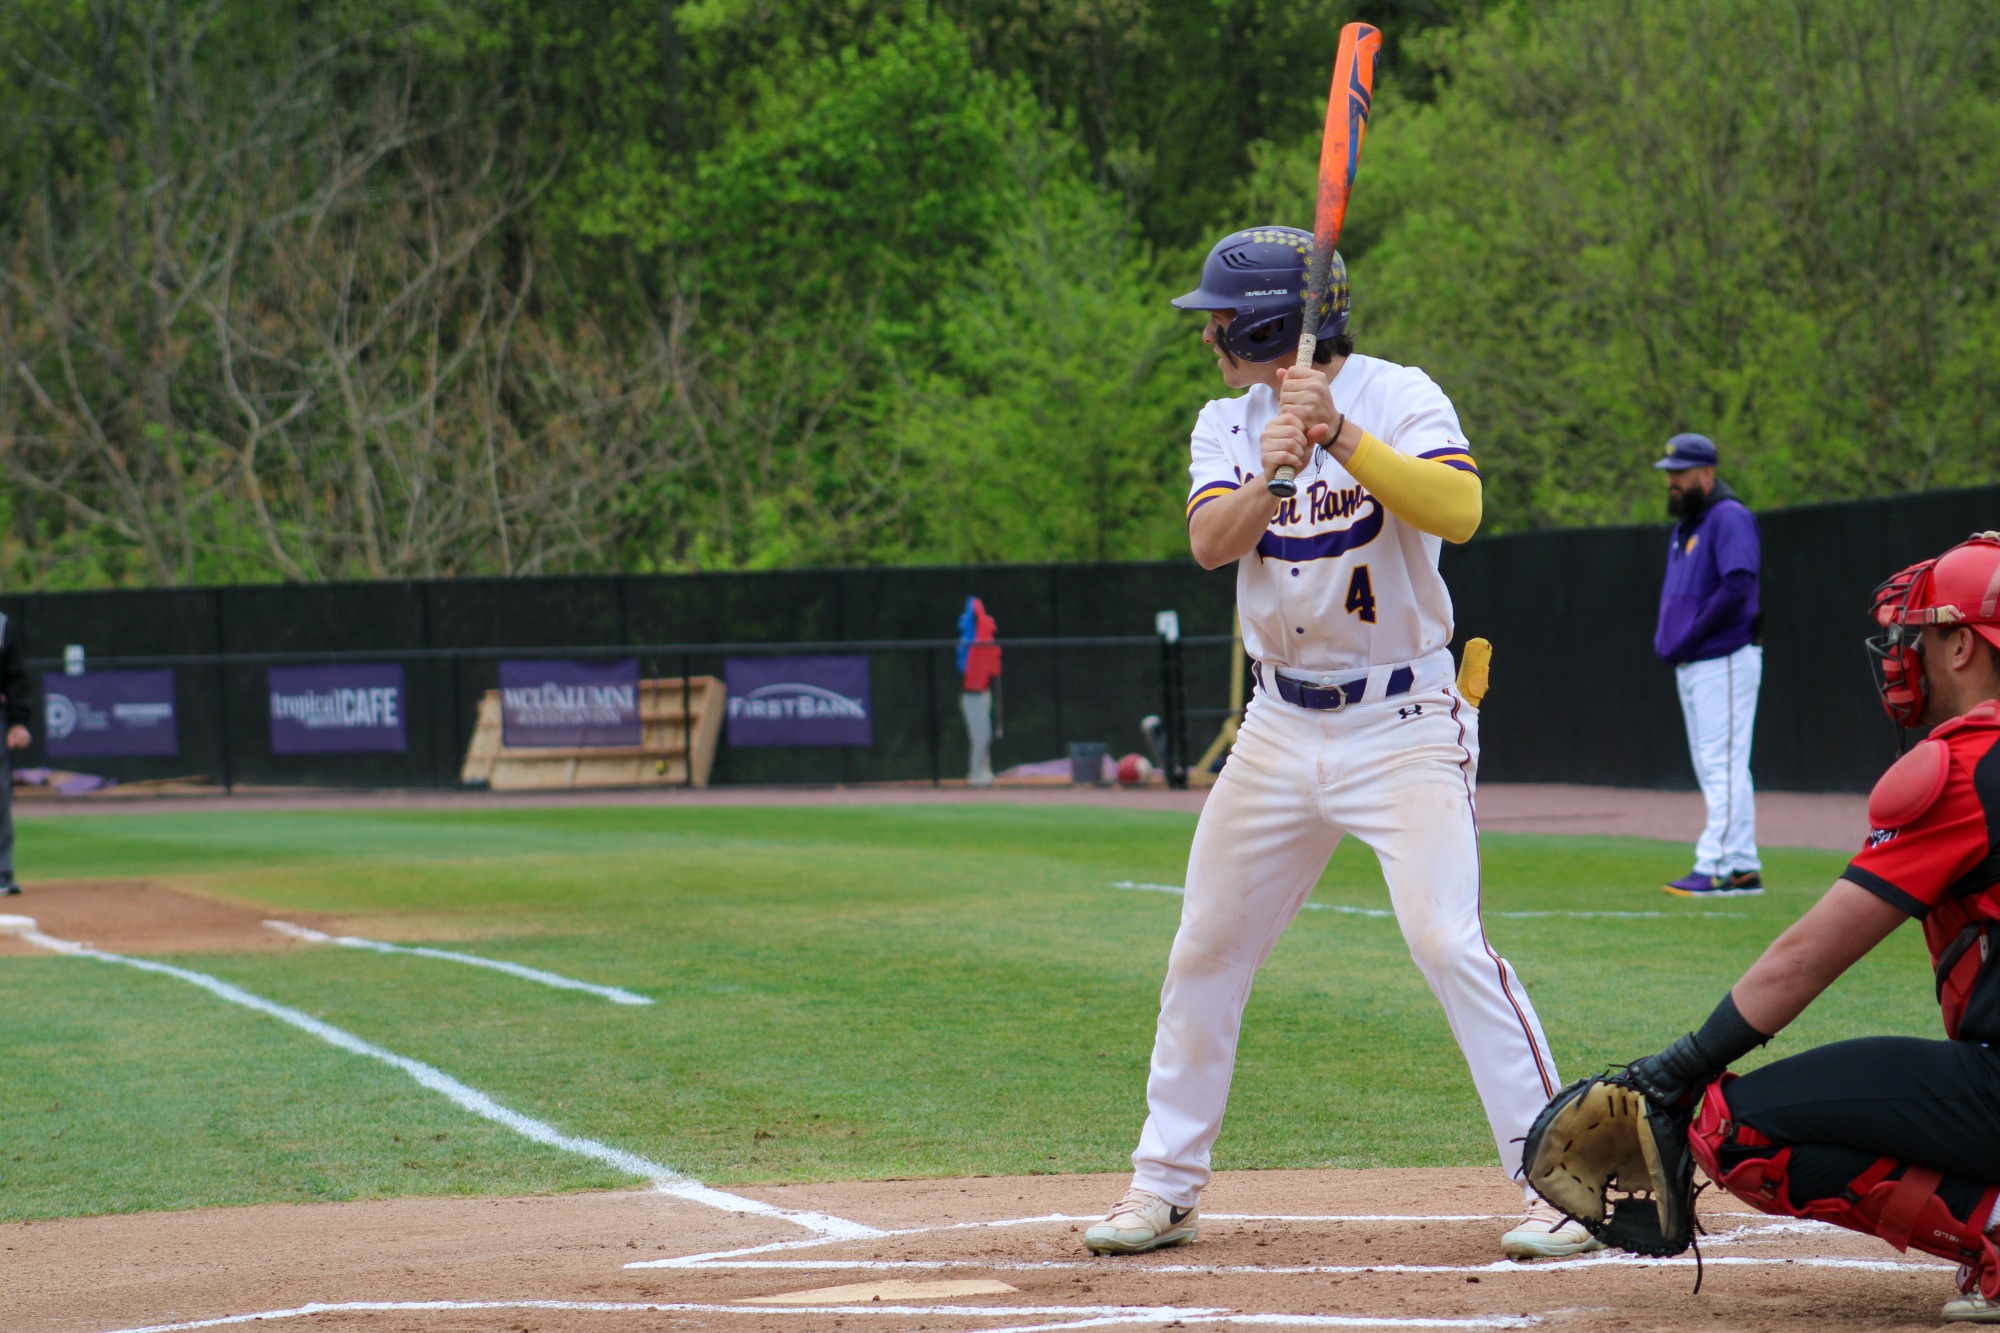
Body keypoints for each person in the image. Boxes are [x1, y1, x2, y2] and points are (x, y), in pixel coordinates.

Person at [1084, 226, 1586, 1262]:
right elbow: (1206, 545)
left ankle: (1566, 1182)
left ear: (1271, 323)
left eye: (1221, 322)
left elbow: (1461, 508)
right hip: (1275, 726)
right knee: (1204, 947)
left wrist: (1343, 436)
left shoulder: (1401, 396)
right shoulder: (1226, 422)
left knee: (1446, 941)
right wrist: (1271, 473)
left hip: (1400, 720)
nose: (1209, 337)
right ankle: (1163, 1187)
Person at [1609, 531, 2000, 1323]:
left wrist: (1683, 1064)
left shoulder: (1965, 764)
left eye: (1921, 634)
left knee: (1731, 1127)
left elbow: (1810, 954)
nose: (1906, 654)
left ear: (1962, 645)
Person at [1652, 433, 1765, 897]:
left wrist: (1692, 633)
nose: (1672, 481)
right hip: (1698, 660)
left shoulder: (1728, 516)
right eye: (1669, 473)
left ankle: (1715, 865)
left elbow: (1739, 585)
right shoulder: (1689, 525)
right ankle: (1741, 864)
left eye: (1680, 472)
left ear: (1707, 473)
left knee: (1723, 764)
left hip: (1726, 655)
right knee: (1715, 765)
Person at [957, 597, 1001, 787]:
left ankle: (985, 772)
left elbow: (994, 670)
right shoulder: (966, 644)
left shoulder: (987, 643)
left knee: (983, 737)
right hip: (971, 697)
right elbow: (962, 668)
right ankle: (975, 774)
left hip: (984, 694)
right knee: (982, 736)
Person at [0, 612, 29, 895]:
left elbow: (15, 676)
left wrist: (19, 720)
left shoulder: (1, 624)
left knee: (0, 791)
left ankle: (2, 872)